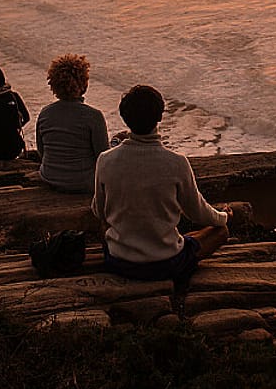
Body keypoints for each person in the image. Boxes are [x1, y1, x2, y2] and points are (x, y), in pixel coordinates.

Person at [91, 84, 230, 281]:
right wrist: (223, 216)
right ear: (160, 117)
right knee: (220, 232)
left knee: (106, 228)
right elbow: (197, 212)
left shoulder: (105, 160)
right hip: (167, 264)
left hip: (119, 261)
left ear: (124, 118)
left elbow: (98, 210)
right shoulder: (176, 162)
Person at [35, 54, 109, 193]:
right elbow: (103, 157)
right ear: (84, 83)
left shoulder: (45, 113)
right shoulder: (93, 116)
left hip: (50, 177)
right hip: (84, 182)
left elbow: (42, 151)